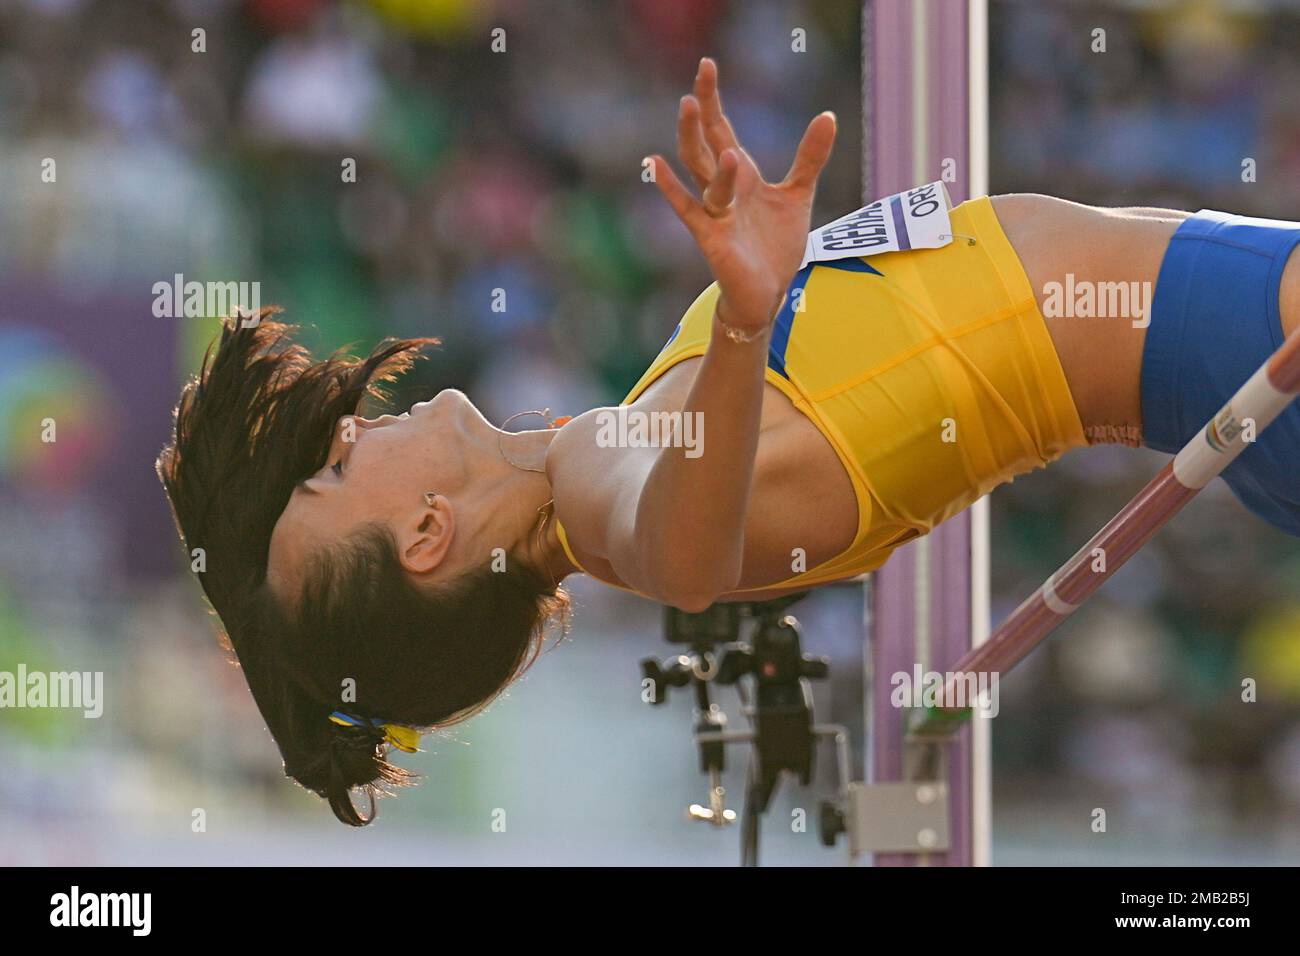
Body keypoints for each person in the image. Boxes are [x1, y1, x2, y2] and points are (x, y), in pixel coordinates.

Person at [156, 58, 1300, 825]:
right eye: (337, 470)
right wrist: (747, 318)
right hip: (1220, 336)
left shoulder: (596, 452)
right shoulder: (597, 496)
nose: (349, 424)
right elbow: (685, 552)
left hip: (1219, 347)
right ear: (424, 533)